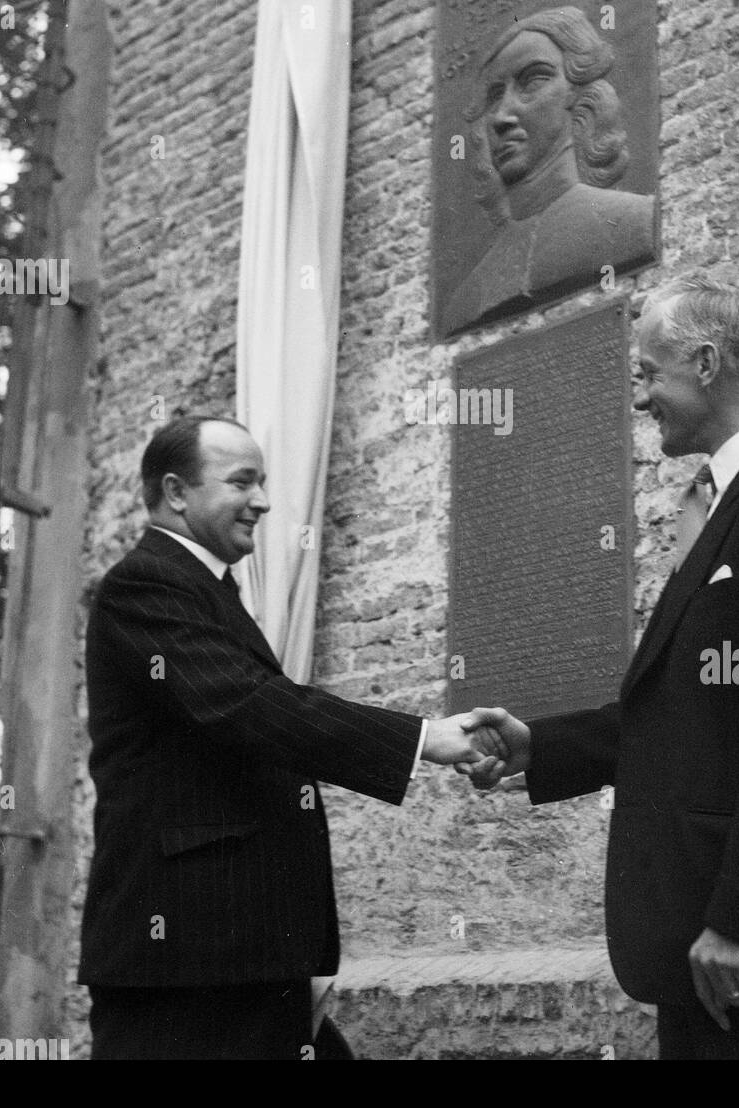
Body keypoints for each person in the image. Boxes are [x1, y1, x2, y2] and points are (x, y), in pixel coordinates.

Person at [465, 277, 739, 1060]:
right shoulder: (735, 501)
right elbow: (688, 712)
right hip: (706, 952)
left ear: (703, 362)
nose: (638, 398)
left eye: (647, 373)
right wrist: (537, 745)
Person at [79, 415, 505, 1059]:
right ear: (174, 492)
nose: (265, 501)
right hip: (187, 960)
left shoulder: (204, 587)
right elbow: (247, 707)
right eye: (242, 481)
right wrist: (422, 738)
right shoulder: (145, 584)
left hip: (240, 952)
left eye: (265, 481)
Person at [441, 5, 656, 334]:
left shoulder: (636, 223)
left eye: (532, 82)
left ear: (577, 92)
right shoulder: (466, 301)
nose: (501, 116)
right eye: (495, 97)